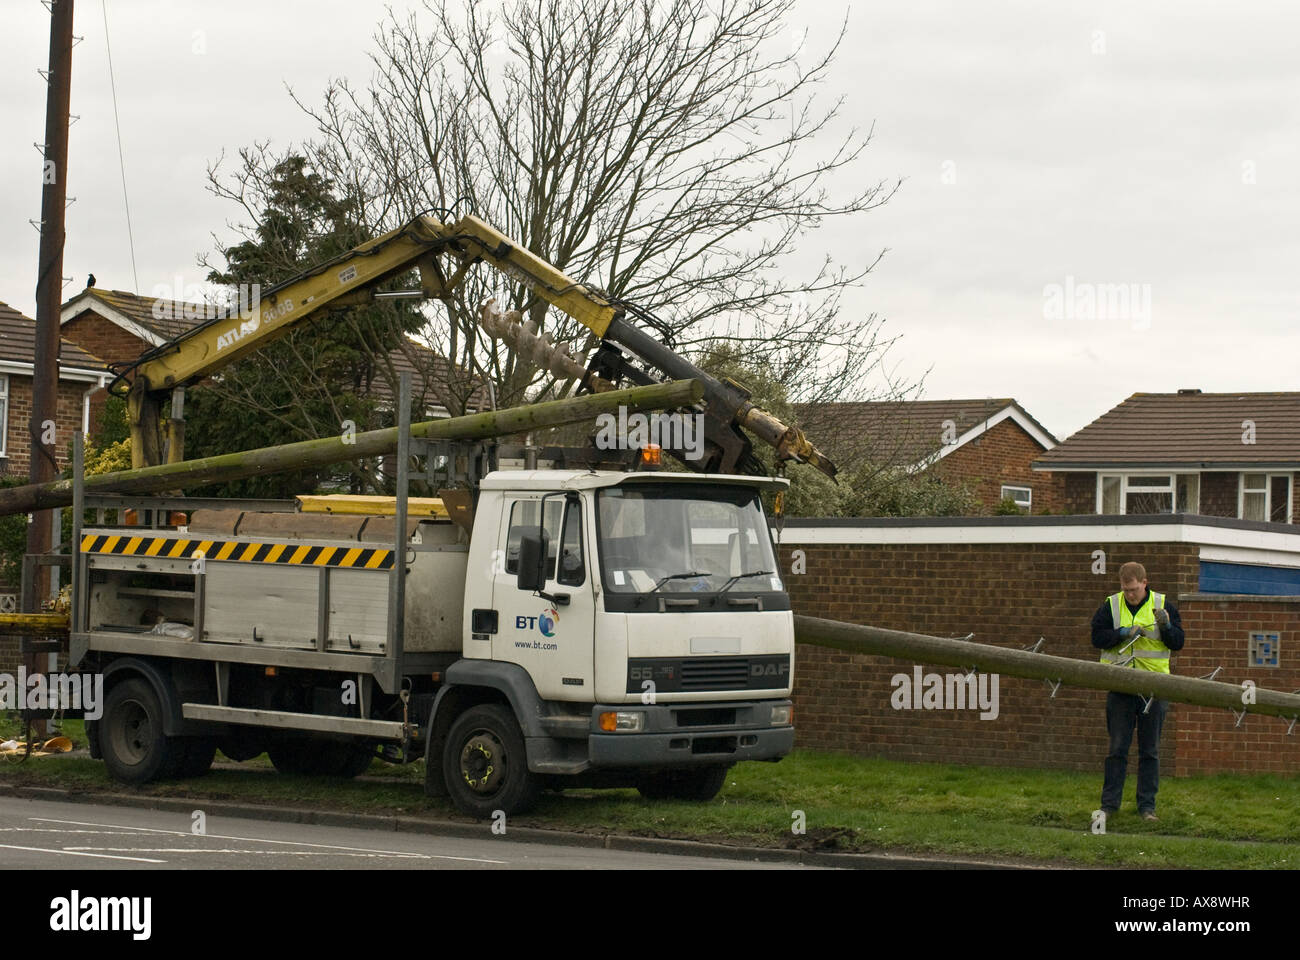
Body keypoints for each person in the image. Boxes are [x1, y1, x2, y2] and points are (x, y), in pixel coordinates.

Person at [1090, 561, 1184, 822]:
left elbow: (1178, 642)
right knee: (1117, 749)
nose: (1129, 594)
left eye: (1133, 589)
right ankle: (1109, 806)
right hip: (1120, 686)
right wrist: (1121, 633)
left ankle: (1147, 807)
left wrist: (1166, 627)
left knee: (1149, 750)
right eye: (1125, 589)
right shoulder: (1111, 605)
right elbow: (1096, 637)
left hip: (1154, 687)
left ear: (1144, 583)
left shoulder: (1162, 603)